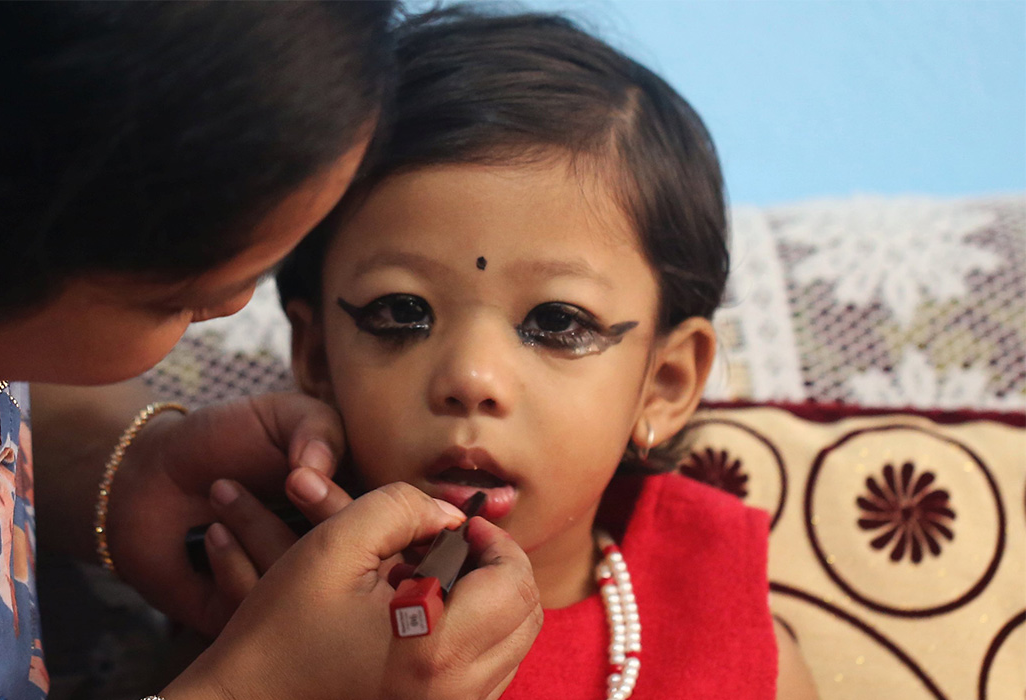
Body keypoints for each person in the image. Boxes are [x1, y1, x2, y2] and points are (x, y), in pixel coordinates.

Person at [0, 4, 542, 699]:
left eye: (556, 323)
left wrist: (132, 475)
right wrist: (254, 688)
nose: (234, 310)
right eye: (177, 299)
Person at [204, 8, 818, 699]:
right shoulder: (259, 610)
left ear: (664, 383)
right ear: (315, 356)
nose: (472, 379)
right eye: (401, 313)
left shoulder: (735, 646)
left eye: (558, 322)